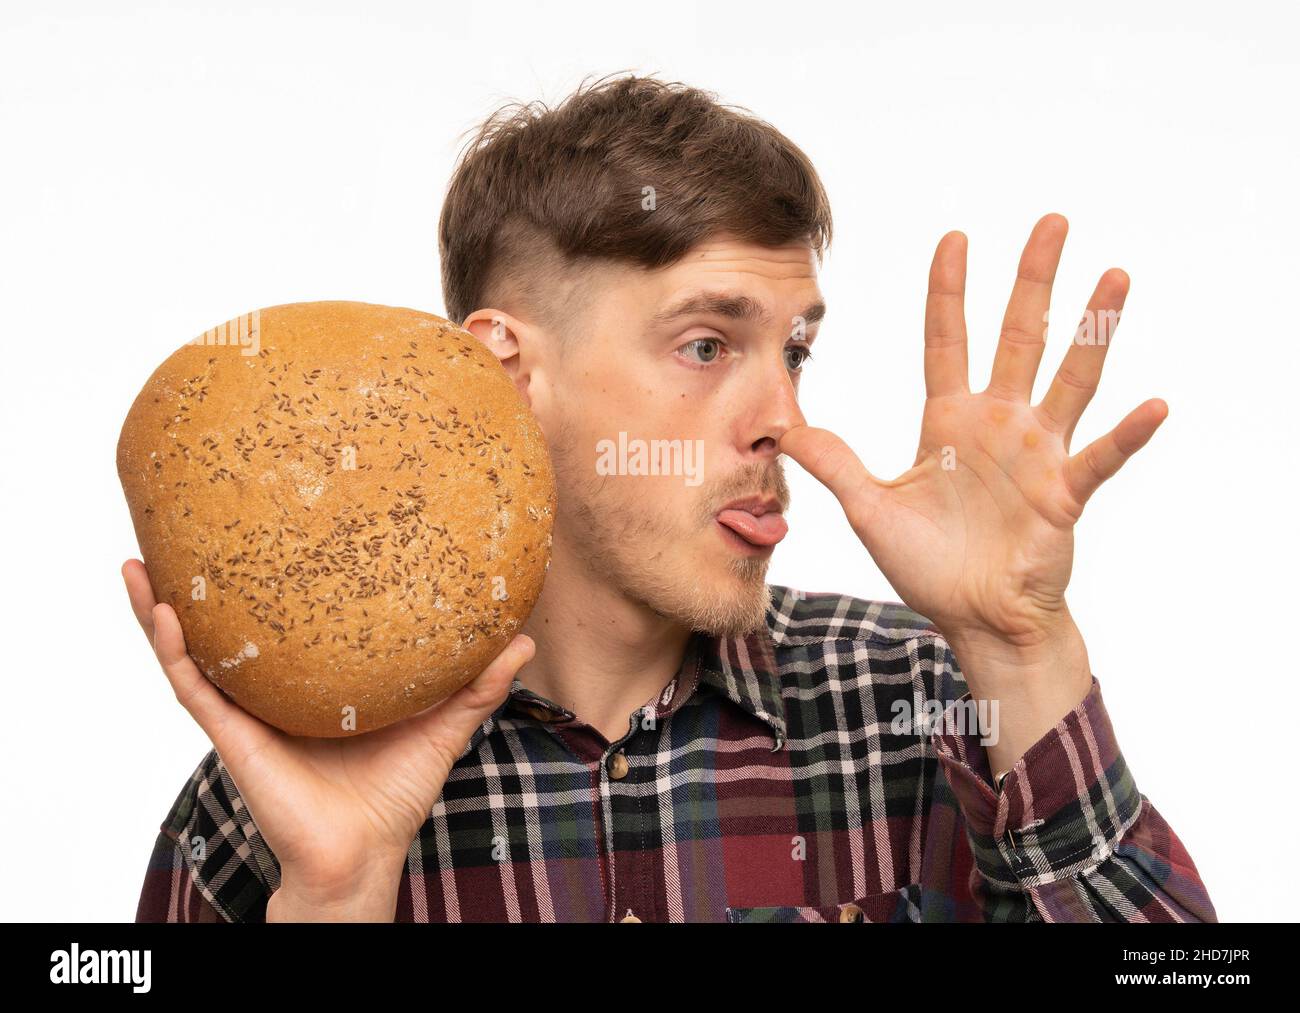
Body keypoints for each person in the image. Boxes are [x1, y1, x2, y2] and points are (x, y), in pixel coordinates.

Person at [129, 72, 1215, 923]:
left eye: (795, 351)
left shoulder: (926, 704)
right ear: (504, 372)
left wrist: (1020, 651)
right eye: (706, 344)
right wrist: (335, 896)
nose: (784, 418)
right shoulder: (285, 793)